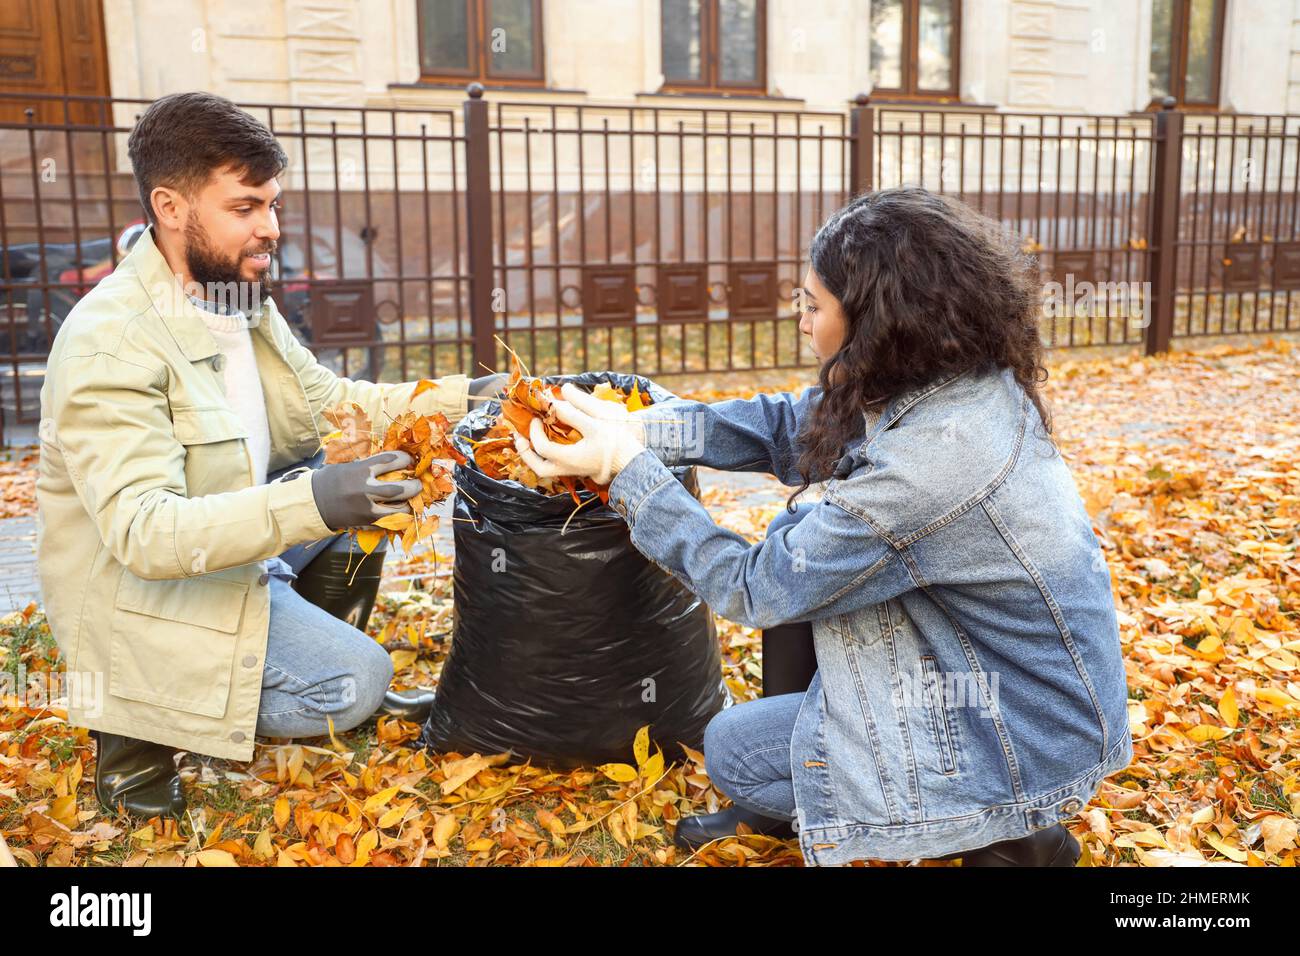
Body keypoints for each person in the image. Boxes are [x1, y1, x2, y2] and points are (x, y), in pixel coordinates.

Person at [516, 186, 1134, 866]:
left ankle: (1016, 833)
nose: (803, 323)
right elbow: (794, 424)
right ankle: (933, 809)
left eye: (813, 305)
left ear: (875, 317)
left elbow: (754, 587)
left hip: (1021, 728)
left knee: (735, 752)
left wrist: (628, 470)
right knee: (810, 541)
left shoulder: (935, 462)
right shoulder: (946, 377)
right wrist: (643, 428)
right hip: (996, 672)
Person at [35, 91, 505, 819]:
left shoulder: (236, 299)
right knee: (355, 682)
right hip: (147, 597)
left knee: (377, 483)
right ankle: (136, 739)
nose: (271, 229)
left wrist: (471, 397)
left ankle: (275, 638)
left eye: (274, 205)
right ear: (170, 206)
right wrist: (313, 502)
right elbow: (146, 534)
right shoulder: (112, 342)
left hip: (238, 558)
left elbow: (334, 402)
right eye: (246, 207)